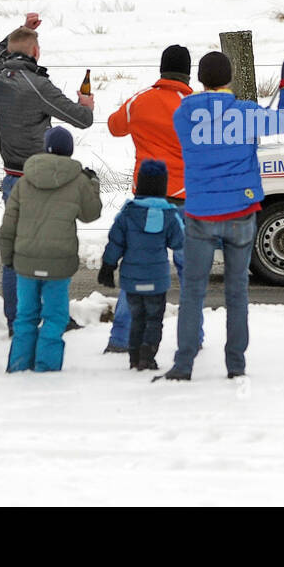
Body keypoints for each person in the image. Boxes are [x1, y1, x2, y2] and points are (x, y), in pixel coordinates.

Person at [159, 47, 284, 381]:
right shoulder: (247, 113)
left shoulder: (183, 114)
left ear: (200, 80)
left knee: (192, 291)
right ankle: (236, 366)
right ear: (229, 79)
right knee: (237, 292)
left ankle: (184, 363)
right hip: (241, 211)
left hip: (199, 215)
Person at [0, 13, 94, 335]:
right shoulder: (38, 86)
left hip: (10, 176)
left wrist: (21, 31)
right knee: (48, 247)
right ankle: (53, 314)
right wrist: (86, 104)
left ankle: (15, 318)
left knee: (16, 250)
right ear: (35, 53)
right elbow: (81, 120)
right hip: (38, 179)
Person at [103, 44, 193, 354]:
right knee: (189, 273)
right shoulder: (193, 106)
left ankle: (120, 339)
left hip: (144, 202)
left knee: (137, 267)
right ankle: (192, 336)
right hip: (183, 200)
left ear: (161, 68)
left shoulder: (139, 101)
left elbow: (115, 127)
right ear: (188, 72)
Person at [0, 127, 102, 373]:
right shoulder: (77, 180)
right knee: (55, 317)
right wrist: (93, 185)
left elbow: (8, 225)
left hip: (24, 261)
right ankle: (47, 368)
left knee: (25, 316)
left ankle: (19, 365)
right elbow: (91, 214)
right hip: (58, 262)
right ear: (70, 151)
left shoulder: (24, 181)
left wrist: (8, 259)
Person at [98, 159, 185, 371]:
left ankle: (134, 356)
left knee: (137, 318)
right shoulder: (170, 215)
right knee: (154, 320)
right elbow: (179, 242)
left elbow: (115, 243)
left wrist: (108, 266)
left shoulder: (127, 214)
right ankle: (148, 355)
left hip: (132, 280)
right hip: (157, 280)